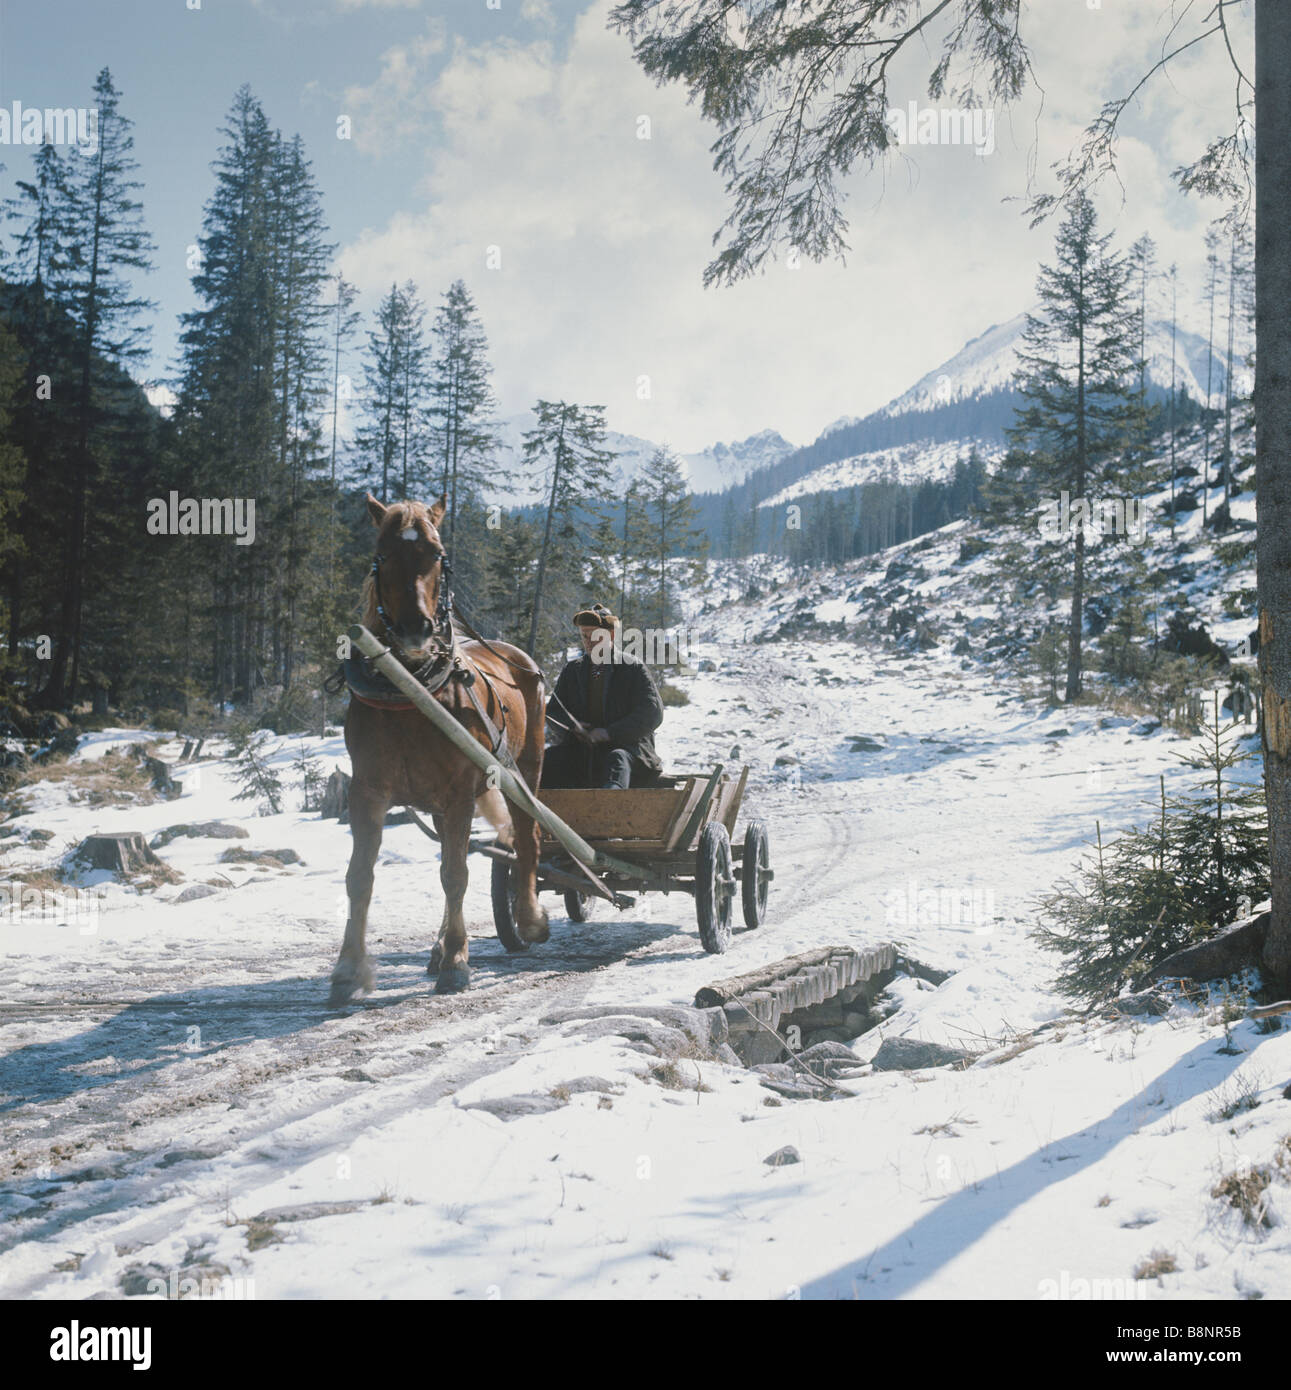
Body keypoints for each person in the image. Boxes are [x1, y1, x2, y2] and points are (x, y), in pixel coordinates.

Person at [541, 603, 664, 790]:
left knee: (617, 761)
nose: (588, 641)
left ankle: (610, 814)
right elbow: (553, 712)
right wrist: (574, 727)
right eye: (584, 636)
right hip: (584, 753)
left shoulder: (632, 668)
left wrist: (610, 733)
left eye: (595, 636)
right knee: (550, 759)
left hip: (629, 751)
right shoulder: (573, 671)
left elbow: (652, 713)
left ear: (611, 635)